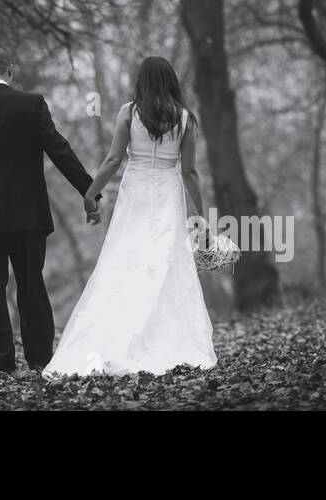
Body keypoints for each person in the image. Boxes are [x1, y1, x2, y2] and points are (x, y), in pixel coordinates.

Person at [43, 55, 217, 376]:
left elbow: (112, 161)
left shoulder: (129, 112)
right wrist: (201, 216)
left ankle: (114, 335)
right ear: (171, 81)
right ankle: (166, 340)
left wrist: (91, 193)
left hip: (135, 192)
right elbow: (190, 172)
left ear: (142, 81)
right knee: (165, 263)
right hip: (167, 193)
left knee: (124, 257)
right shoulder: (184, 119)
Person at [0, 47, 99, 373]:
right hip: (27, 214)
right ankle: (39, 360)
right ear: (11, 70)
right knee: (31, 285)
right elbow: (59, 148)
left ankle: (1, 365)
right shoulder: (31, 105)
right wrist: (89, 189)